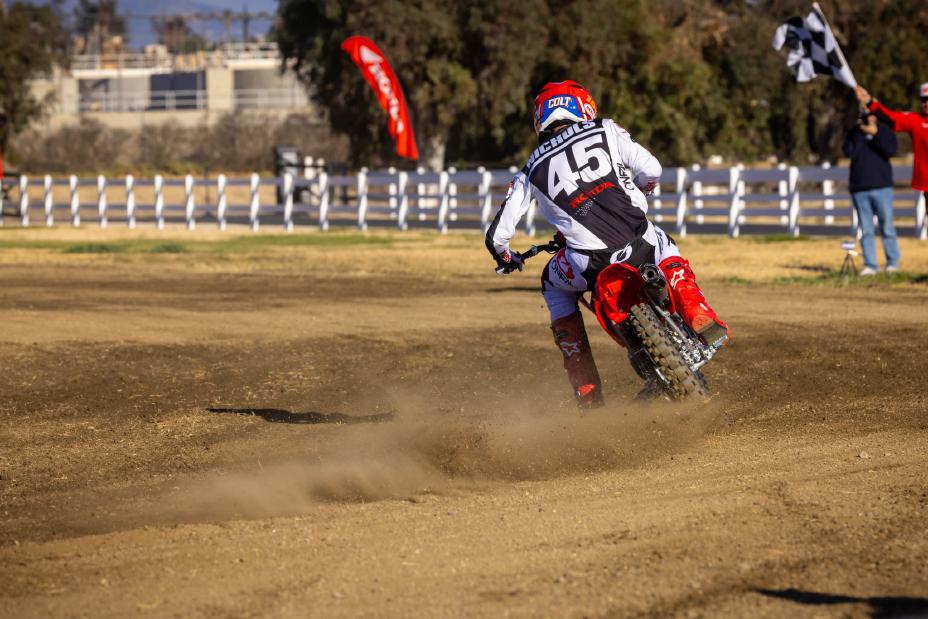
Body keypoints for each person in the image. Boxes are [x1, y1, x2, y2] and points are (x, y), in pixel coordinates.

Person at [485, 80, 728, 408]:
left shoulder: (530, 169)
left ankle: (586, 390)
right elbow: (651, 169)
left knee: (551, 285)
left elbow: (498, 235)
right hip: (640, 239)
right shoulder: (606, 129)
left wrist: (507, 257)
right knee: (663, 243)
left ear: (540, 118)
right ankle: (696, 309)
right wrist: (642, 193)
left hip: (588, 263)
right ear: (582, 107)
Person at [855, 82, 928, 221]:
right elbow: (890, 118)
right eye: (924, 100)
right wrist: (869, 102)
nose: (927, 103)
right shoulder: (915, 121)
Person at [842, 112, 900, 274]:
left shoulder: (884, 131)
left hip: (882, 187)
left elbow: (891, 150)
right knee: (866, 229)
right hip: (860, 188)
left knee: (887, 227)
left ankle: (893, 263)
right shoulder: (854, 133)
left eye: (870, 116)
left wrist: (875, 134)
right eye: (864, 116)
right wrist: (857, 132)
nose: (868, 119)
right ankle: (870, 265)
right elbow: (848, 152)